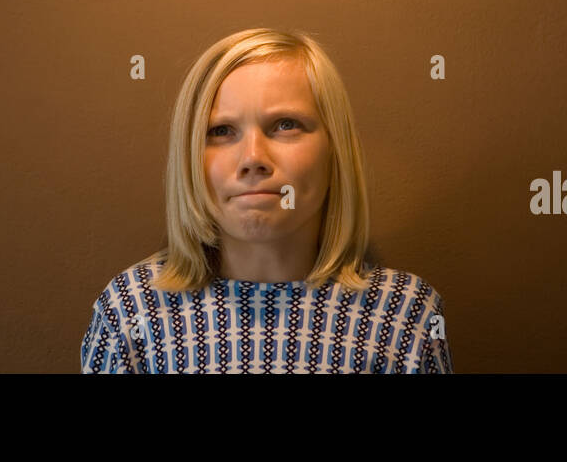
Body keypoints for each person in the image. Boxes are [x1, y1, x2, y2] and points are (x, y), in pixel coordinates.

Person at [80, 27, 453, 373]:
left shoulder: (405, 314)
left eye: (285, 125)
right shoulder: (132, 310)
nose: (253, 158)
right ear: (189, 156)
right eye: (222, 131)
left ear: (334, 149)